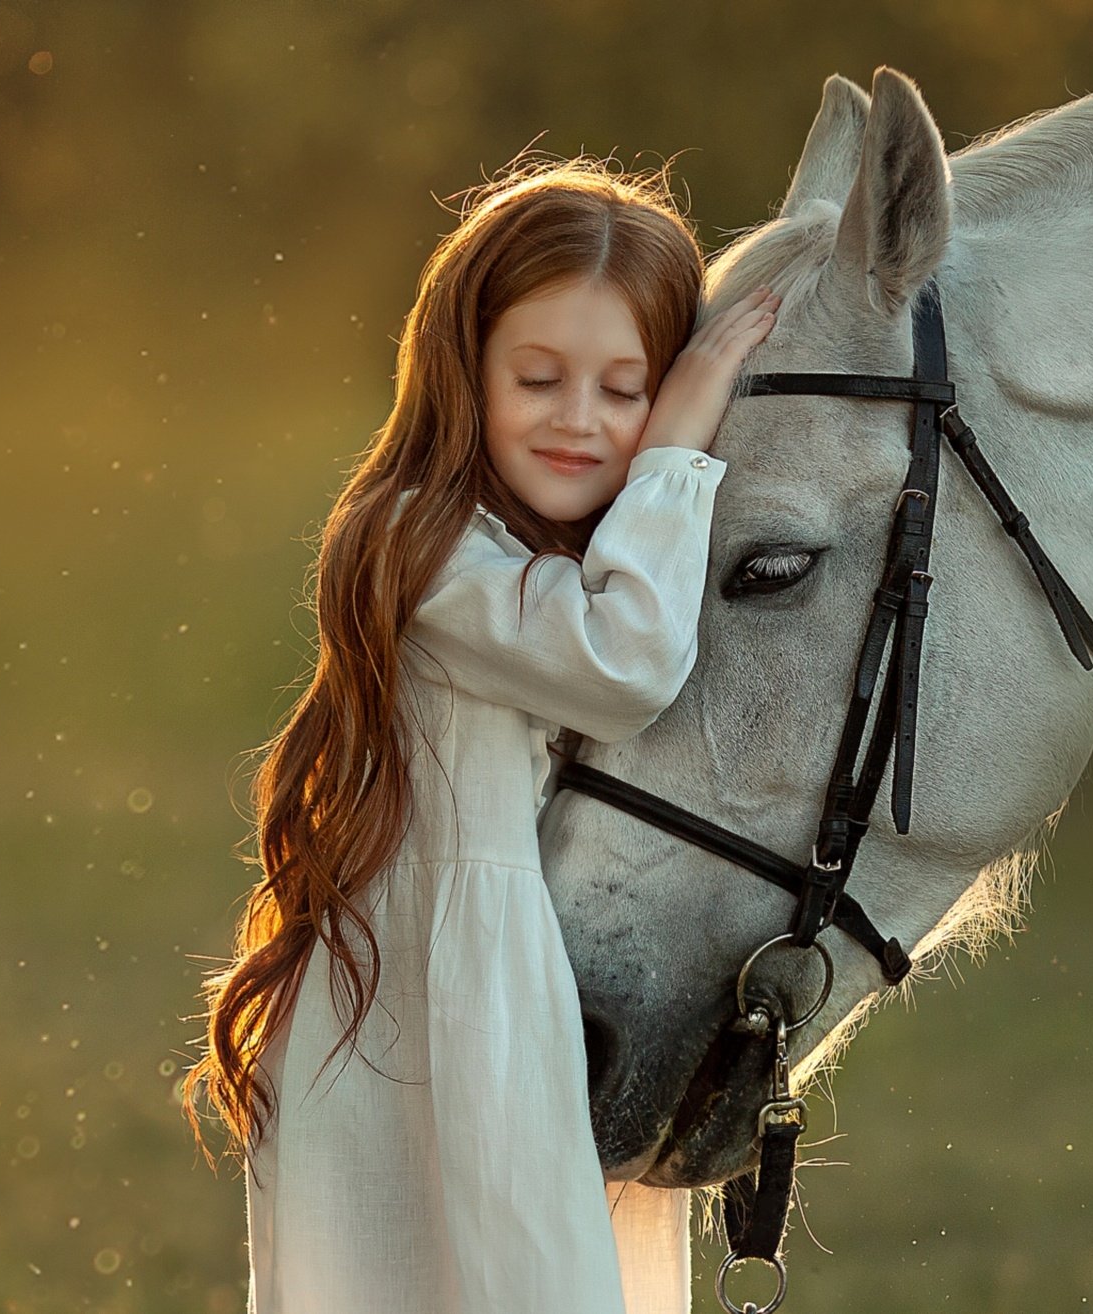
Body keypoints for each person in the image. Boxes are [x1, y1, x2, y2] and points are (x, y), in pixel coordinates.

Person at [181, 156, 775, 1314]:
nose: (580, 421)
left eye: (627, 390)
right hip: (445, 994)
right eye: (539, 377)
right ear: (465, 370)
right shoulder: (423, 543)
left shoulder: (591, 554)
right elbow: (626, 666)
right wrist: (680, 438)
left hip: (535, 975)